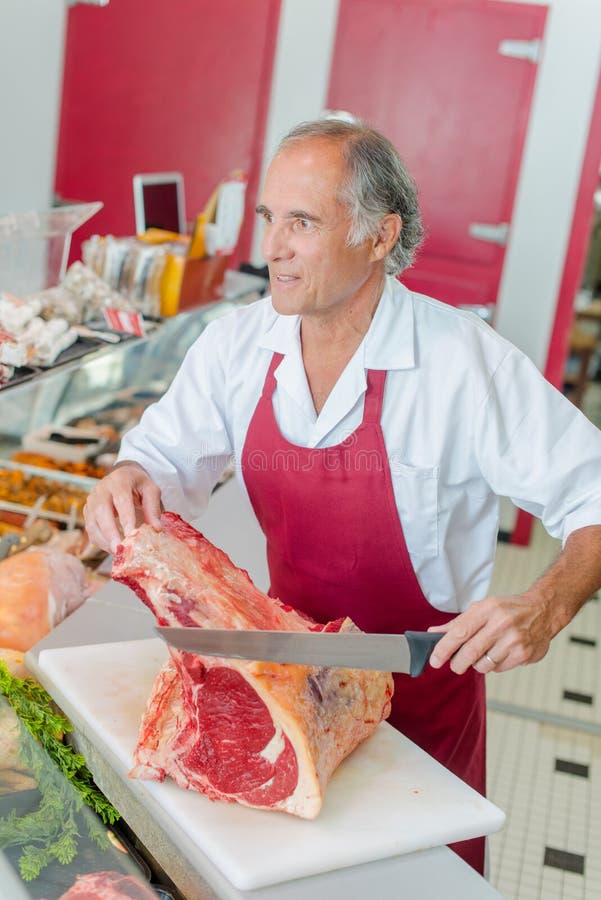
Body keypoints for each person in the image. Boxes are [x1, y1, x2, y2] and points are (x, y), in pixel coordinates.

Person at [84, 119, 601, 874]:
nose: (272, 248)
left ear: (378, 235)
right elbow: (162, 458)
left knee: (415, 885)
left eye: (303, 222)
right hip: (282, 682)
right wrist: (130, 477)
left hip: (422, 698)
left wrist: (547, 603)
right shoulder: (237, 344)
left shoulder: (458, 362)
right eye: (269, 219)